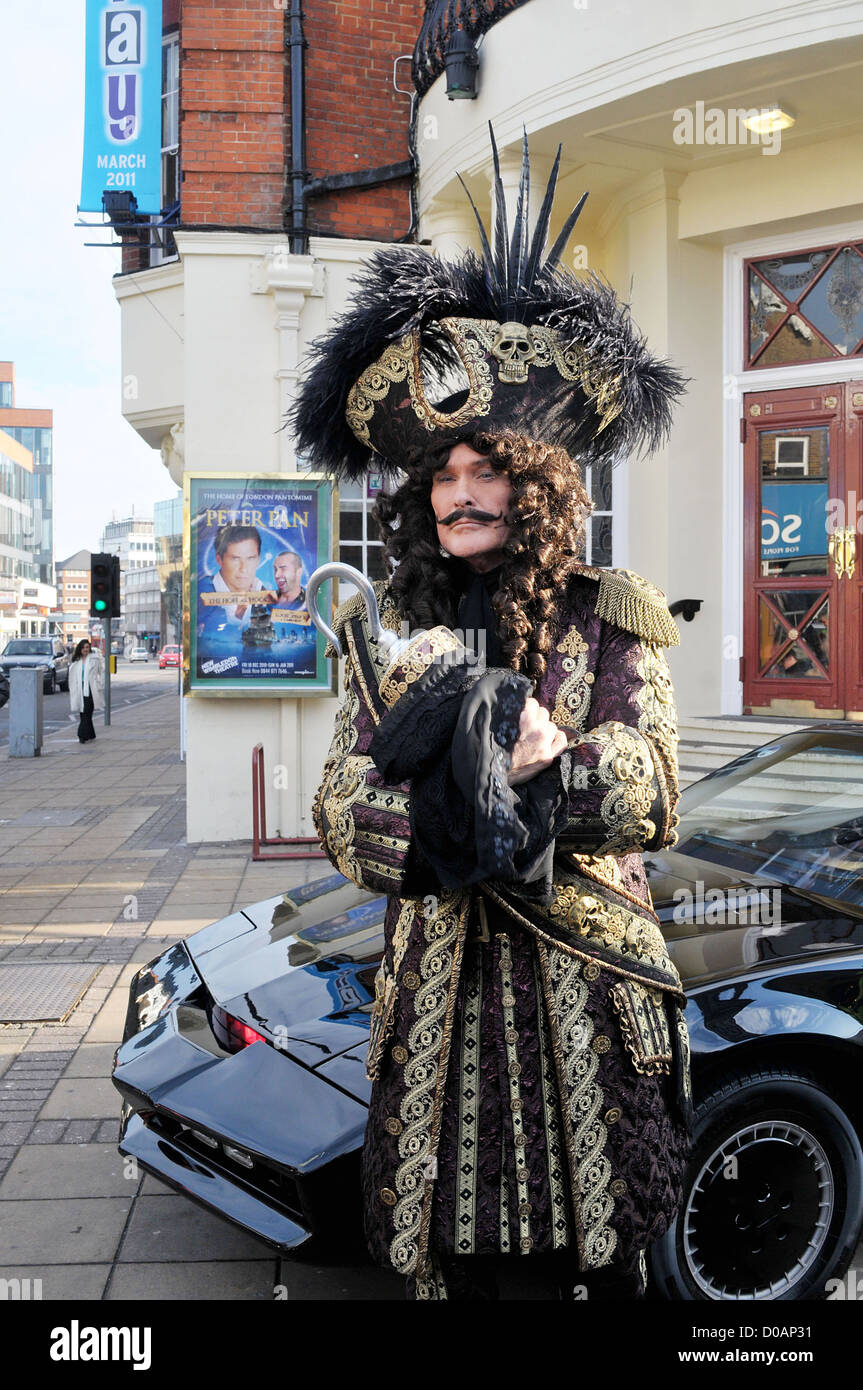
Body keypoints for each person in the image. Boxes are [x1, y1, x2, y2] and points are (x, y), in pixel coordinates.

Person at [295, 127, 692, 1301]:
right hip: (434, 1014)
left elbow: (658, 783)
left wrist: (546, 765)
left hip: (578, 997)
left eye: (486, 468)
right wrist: (392, 822)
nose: (460, 492)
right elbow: (341, 792)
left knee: (595, 1267)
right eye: (441, 476)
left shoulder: (608, 615)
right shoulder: (389, 633)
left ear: (536, 479)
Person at [69, 639, 104, 745]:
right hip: (79, 689)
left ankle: (81, 735)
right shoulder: (76, 661)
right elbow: (72, 677)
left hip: (91, 689)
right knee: (83, 713)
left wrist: (100, 684)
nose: (85, 649)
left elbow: (102, 672)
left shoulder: (95, 659)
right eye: (84, 647)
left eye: (87, 647)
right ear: (80, 648)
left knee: (87, 712)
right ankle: (91, 734)